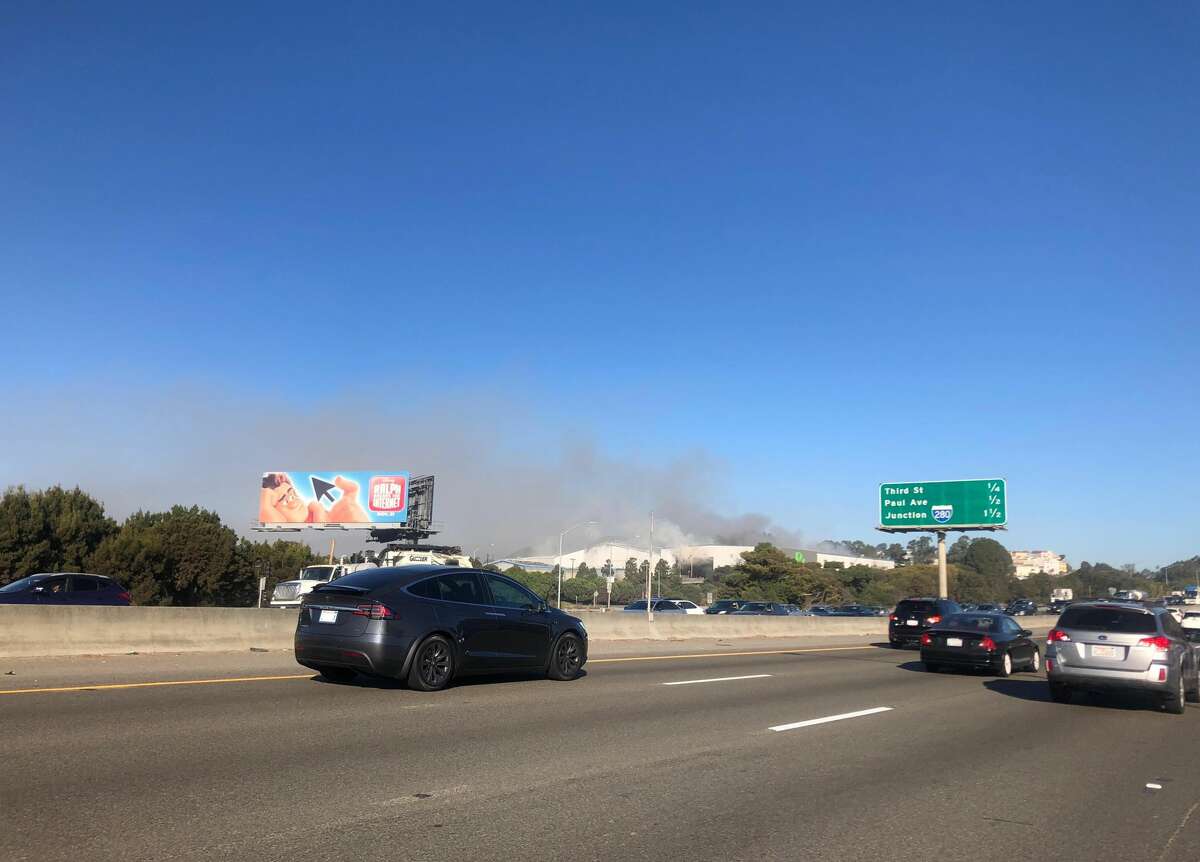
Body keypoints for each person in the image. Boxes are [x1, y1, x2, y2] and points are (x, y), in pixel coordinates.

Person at [260, 473, 371, 524]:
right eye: (284, 500)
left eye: (292, 493)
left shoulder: (326, 516)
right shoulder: (271, 518)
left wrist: (363, 524)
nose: (294, 502)